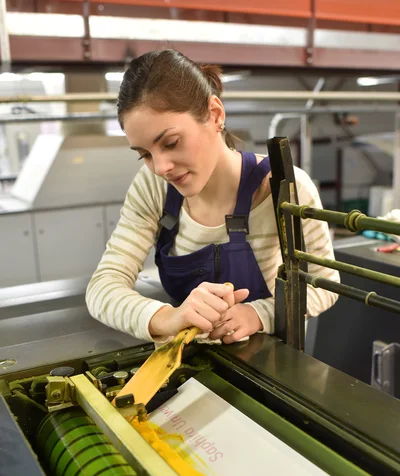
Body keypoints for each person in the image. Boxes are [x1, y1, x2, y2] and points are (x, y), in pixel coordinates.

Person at [86, 49, 339, 345]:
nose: (161, 167)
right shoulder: (153, 188)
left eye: (170, 142)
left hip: (271, 361)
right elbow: (104, 286)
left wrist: (258, 314)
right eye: (145, 154)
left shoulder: (283, 189)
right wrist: (168, 318)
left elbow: (326, 286)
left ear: (215, 114)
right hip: (188, 359)